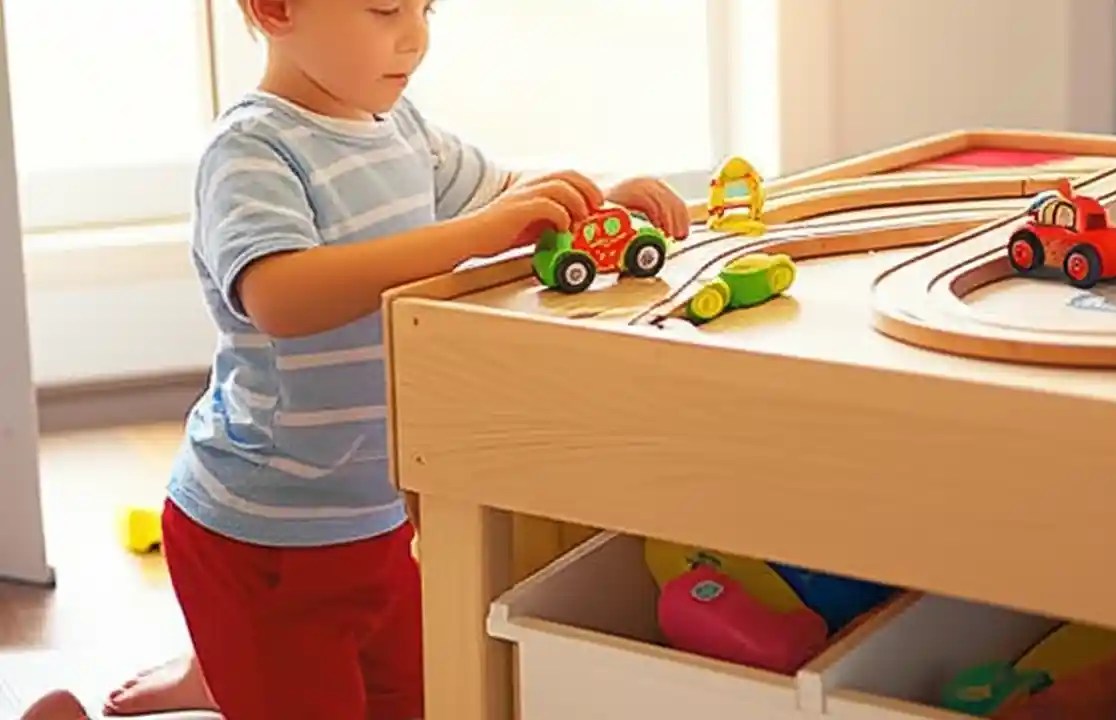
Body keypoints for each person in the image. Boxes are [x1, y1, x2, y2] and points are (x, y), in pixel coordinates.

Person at [83, 0, 691, 717]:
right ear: (275, 9)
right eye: (383, 9)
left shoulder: (403, 131)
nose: (415, 37)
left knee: (424, 698)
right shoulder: (253, 151)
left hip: (378, 519)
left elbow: (509, 199)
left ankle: (229, 666)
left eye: (425, 8)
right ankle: (231, 662)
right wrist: (469, 236)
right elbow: (281, 295)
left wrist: (597, 202)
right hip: (263, 537)